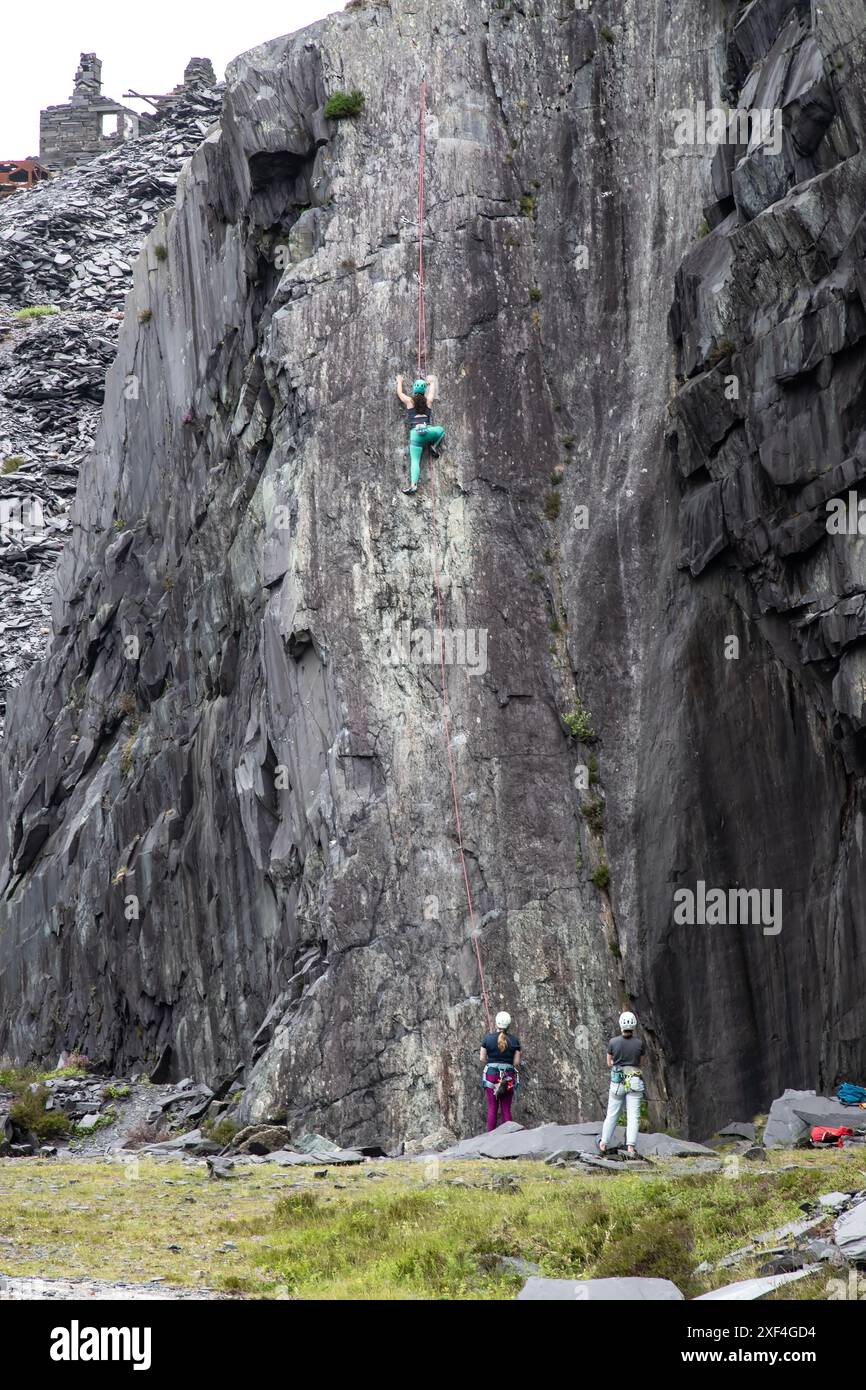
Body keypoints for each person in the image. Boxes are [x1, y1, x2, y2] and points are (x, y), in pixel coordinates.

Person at [598, 1011, 646, 1158]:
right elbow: (641, 1063)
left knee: (612, 1114)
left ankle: (603, 1143)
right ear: (634, 1025)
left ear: (621, 1025)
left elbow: (609, 1062)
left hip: (617, 1082)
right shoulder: (639, 1043)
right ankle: (630, 1147)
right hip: (634, 1081)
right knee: (633, 1116)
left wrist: (617, 1062)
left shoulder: (613, 1042)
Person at [396, 373, 446, 495]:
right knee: (441, 430)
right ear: (424, 391)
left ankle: (413, 485)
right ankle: (434, 445)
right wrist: (431, 382)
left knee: (415, 460)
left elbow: (400, 394)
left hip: (416, 435)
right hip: (428, 432)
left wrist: (399, 381)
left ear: (414, 389)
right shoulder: (428, 401)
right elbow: (432, 392)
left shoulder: (409, 401)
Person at [480, 1010, 521, 1131]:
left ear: (496, 1023)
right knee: (506, 1108)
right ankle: (509, 1136)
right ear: (509, 1024)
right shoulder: (514, 1041)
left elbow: (482, 1058)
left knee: (492, 1107)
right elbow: (516, 1062)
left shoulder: (488, 1039)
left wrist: (493, 1061)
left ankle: (491, 1137)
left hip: (491, 1076)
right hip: (508, 1076)